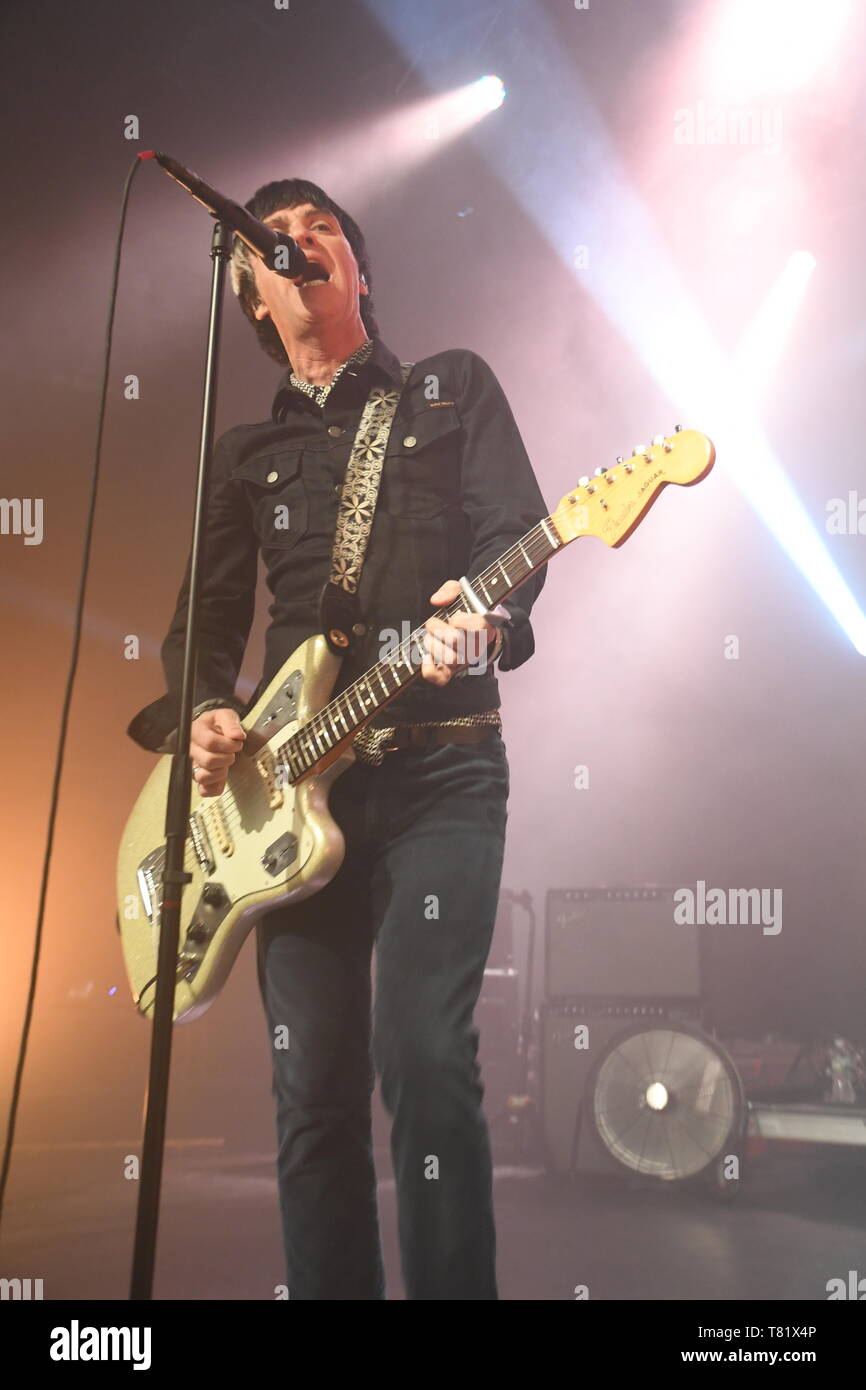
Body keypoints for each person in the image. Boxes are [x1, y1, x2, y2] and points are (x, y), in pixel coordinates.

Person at [127, 178, 549, 1300]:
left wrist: (485, 612)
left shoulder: (448, 389)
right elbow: (200, 633)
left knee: (422, 1055)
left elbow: (516, 533)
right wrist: (208, 713)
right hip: (286, 803)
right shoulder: (243, 454)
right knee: (309, 1089)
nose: (299, 240)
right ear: (250, 290)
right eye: (278, 237)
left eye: (323, 228)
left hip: (440, 768)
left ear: (357, 270)